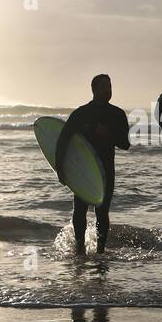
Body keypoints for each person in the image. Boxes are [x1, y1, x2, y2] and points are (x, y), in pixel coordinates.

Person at [55, 74, 130, 255]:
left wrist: (108, 134)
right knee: (79, 211)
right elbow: (63, 140)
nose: (108, 90)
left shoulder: (117, 114)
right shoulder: (81, 114)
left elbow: (125, 144)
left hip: (106, 171)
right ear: (94, 89)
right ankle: (80, 248)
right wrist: (60, 168)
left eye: (110, 86)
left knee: (102, 212)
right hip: (82, 170)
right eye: (104, 86)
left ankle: (100, 251)